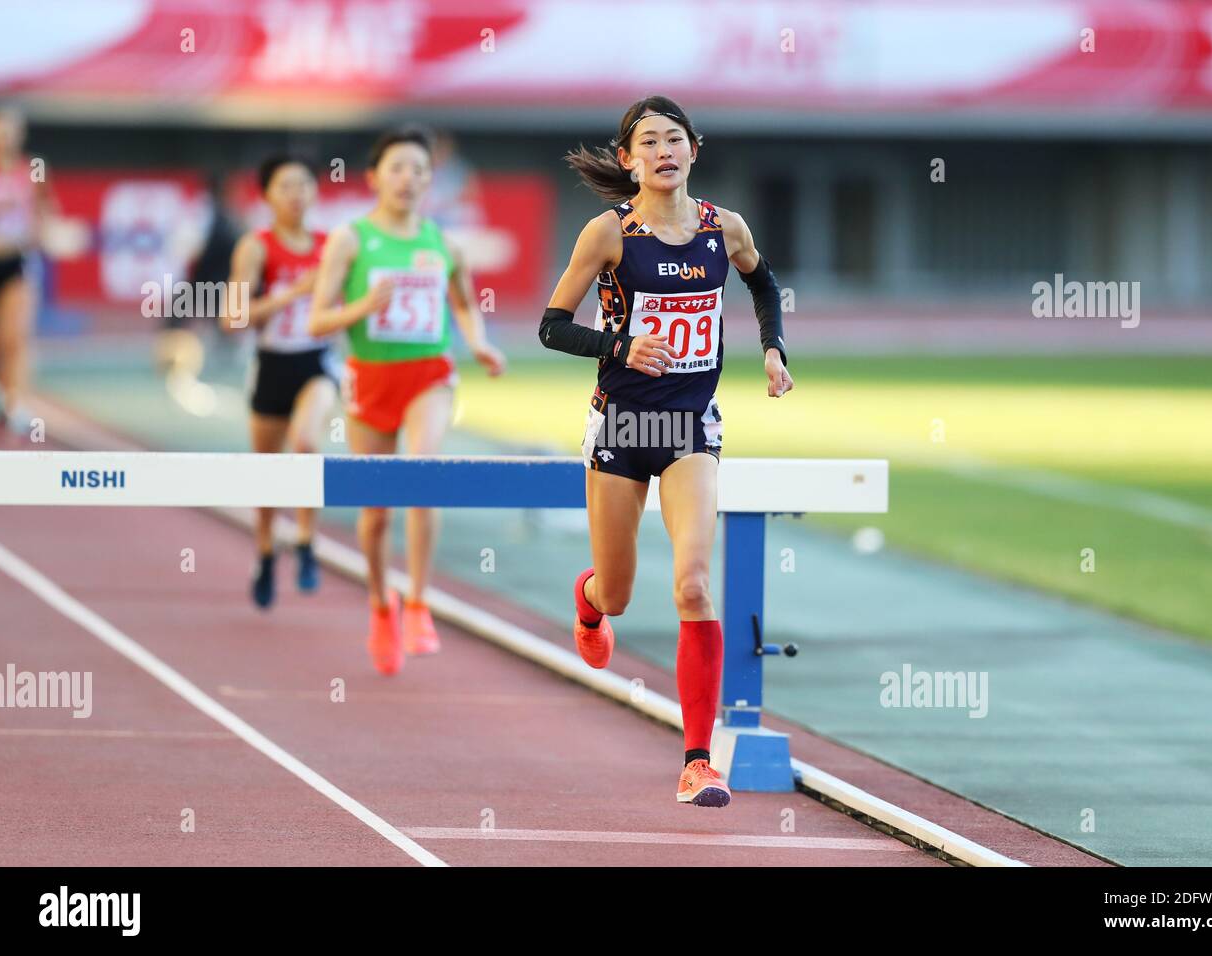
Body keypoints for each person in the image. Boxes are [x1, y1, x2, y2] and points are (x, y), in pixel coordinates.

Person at [539, 96, 793, 808]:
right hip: (621, 426)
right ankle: (589, 603)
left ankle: (697, 761)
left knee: (692, 584)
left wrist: (773, 347)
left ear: (693, 149)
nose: (662, 150)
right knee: (618, 592)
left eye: (673, 138)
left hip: (689, 429)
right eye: (647, 141)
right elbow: (552, 327)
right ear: (629, 159)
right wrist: (621, 345)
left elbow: (762, 280)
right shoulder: (608, 234)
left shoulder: (724, 228)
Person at [309, 127, 505, 675]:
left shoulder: (443, 243)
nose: (409, 178)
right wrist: (364, 305)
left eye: (420, 169)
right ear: (373, 177)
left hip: (428, 376)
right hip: (369, 380)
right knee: (375, 512)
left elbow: (465, 303)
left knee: (424, 474)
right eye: (397, 167)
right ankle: (380, 604)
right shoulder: (350, 240)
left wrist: (480, 343)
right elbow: (318, 318)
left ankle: (419, 602)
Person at [221, 154, 335, 608]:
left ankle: (307, 541)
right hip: (270, 366)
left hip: (317, 363)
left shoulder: (332, 244)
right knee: (268, 473)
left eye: (304, 184)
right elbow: (232, 319)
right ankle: (266, 550)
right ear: (267, 194)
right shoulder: (256, 246)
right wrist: (291, 293)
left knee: (306, 442)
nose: (296, 194)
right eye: (285, 186)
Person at [0, 106, 54, 435]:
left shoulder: (35, 168)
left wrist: (34, 234)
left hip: (17, 263)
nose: (6, 138)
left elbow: (45, 212)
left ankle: (15, 402)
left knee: (15, 337)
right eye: (0, 130)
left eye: (13, 131)